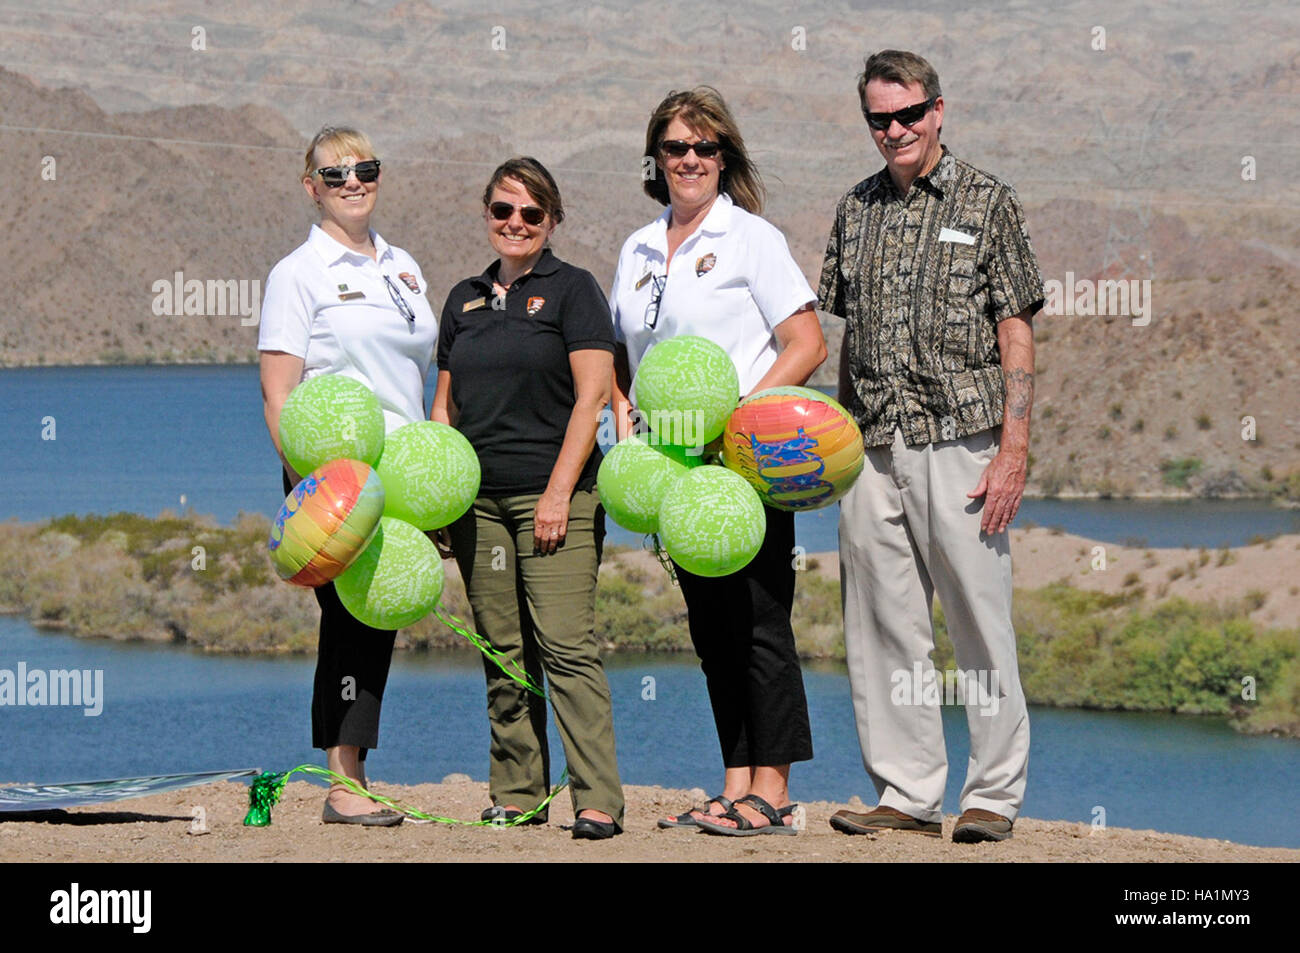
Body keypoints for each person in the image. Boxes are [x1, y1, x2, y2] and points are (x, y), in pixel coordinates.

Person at [819, 50, 1043, 842]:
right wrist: (839, 442)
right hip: (873, 443)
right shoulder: (855, 209)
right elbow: (848, 336)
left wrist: (1012, 448)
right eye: (880, 118)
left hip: (963, 438)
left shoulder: (988, 201)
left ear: (938, 110)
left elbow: (1015, 327)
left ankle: (993, 794)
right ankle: (906, 791)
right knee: (883, 624)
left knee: (979, 618)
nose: (896, 130)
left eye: (909, 114)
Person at [609, 88, 827, 835]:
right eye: (676, 148)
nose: (691, 160)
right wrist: (626, 416)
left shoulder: (751, 239)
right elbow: (623, 357)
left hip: (747, 462)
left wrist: (738, 418)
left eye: (706, 148)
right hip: (674, 469)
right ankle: (733, 783)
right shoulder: (637, 248)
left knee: (763, 622)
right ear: (656, 158)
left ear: (725, 157)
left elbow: (806, 342)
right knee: (712, 631)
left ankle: (775, 790)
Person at [432, 157, 624, 840]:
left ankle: (598, 799)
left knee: (566, 646)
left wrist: (557, 492)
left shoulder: (574, 291)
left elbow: (592, 397)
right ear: (487, 213)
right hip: (477, 504)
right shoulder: (462, 298)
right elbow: (444, 410)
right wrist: (436, 501)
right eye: (503, 210)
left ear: (551, 219)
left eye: (531, 213)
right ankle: (518, 795)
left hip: (559, 498)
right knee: (504, 651)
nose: (515, 223)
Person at [259, 126, 439, 827]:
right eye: (335, 174)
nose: (352, 181)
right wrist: (311, 488)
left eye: (364, 168)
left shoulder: (402, 265)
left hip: (398, 472)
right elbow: (278, 393)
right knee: (347, 620)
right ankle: (342, 782)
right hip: (329, 479)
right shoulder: (296, 273)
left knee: (381, 615)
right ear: (312, 187)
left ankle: (358, 767)